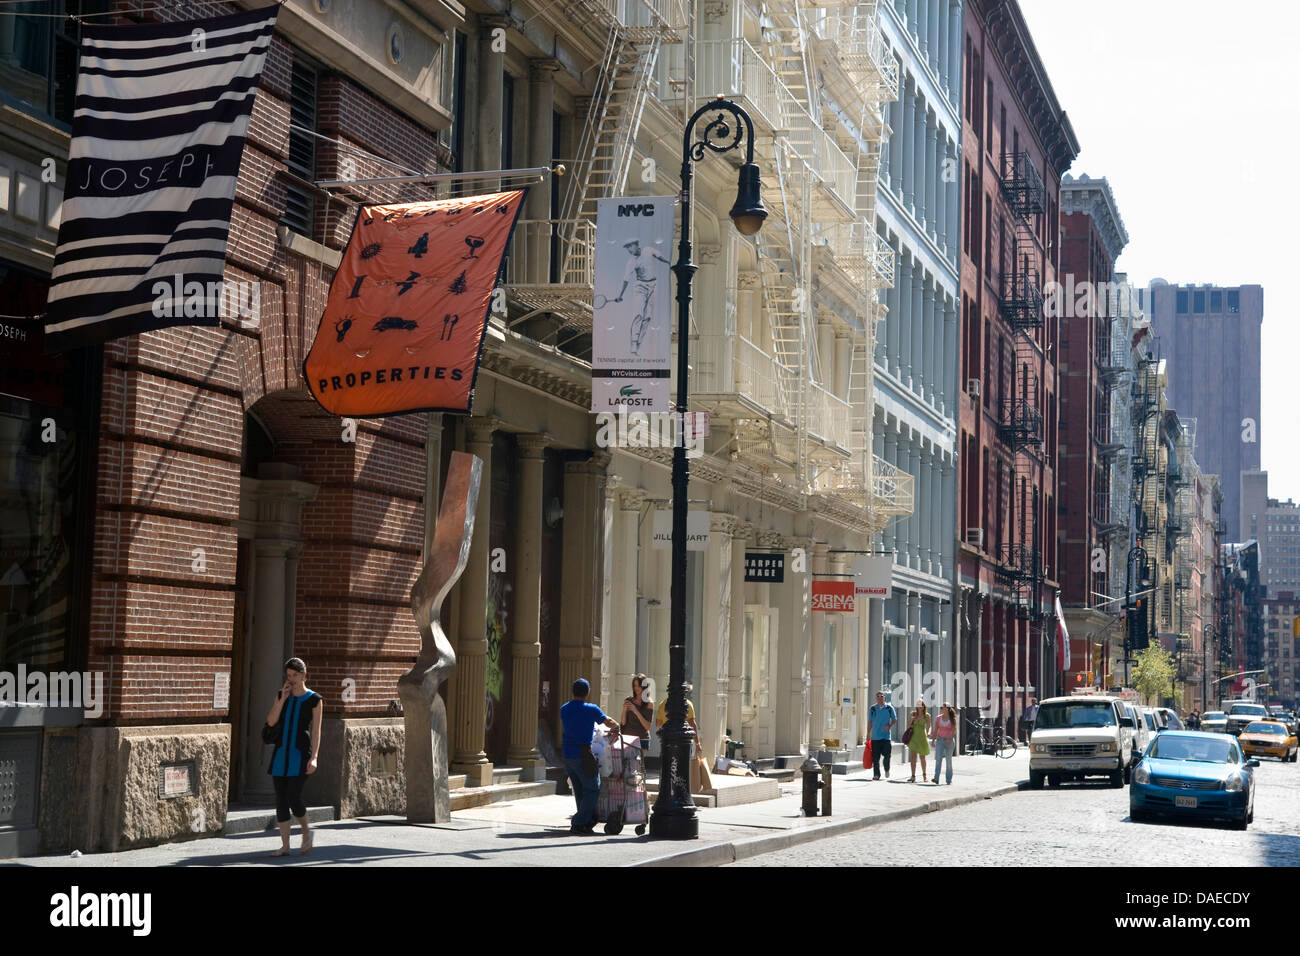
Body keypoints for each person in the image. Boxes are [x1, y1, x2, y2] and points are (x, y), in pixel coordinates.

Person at [264, 657, 323, 857]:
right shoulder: (282, 695)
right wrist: (281, 701)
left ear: (304, 675)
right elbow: (271, 721)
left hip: (300, 754)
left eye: (296, 675)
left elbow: (316, 732)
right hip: (281, 753)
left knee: (293, 796)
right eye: (289, 675)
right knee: (281, 798)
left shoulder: (315, 700)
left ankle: (307, 832)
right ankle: (285, 845)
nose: (292, 679)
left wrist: (314, 757)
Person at [560, 678, 620, 834]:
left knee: (579, 789)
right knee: (593, 787)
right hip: (583, 753)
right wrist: (616, 726)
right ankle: (579, 822)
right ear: (587, 693)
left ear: (573, 692)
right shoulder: (591, 709)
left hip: (567, 754)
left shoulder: (564, 709)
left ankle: (585, 821)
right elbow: (608, 722)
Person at [621, 673, 654, 753]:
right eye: (634, 686)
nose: (636, 688)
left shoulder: (649, 703)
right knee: (625, 765)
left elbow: (647, 726)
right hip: (627, 738)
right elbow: (623, 722)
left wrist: (635, 711)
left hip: (641, 740)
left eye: (639, 686)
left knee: (639, 765)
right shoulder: (629, 700)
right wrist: (624, 709)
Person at [867, 691, 897, 780]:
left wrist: (889, 725)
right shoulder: (872, 708)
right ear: (876, 698)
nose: (880, 697)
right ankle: (876, 775)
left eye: (882, 696)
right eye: (878, 696)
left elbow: (894, 719)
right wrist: (868, 733)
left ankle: (887, 769)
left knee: (887, 756)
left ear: (884, 697)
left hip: (886, 737)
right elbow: (870, 722)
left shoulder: (889, 708)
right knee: (875, 758)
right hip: (875, 737)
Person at [931, 701, 957, 785]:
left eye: (943, 708)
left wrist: (950, 739)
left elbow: (954, 731)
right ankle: (936, 778)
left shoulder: (952, 719)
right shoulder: (938, 718)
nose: (941, 709)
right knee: (938, 759)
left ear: (947, 709)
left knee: (948, 760)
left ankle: (948, 780)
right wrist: (933, 740)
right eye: (941, 708)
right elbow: (936, 730)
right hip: (940, 740)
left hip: (949, 741)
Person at [906, 700, 931, 783]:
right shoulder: (913, 714)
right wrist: (913, 720)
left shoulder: (927, 716)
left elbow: (929, 726)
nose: (920, 707)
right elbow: (908, 726)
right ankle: (913, 776)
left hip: (922, 738)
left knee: (922, 758)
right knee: (913, 758)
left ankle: (924, 775)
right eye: (918, 705)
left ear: (924, 706)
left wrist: (929, 732)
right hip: (913, 738)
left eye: (921, 705)